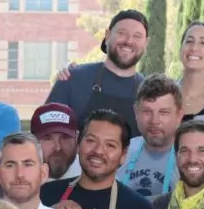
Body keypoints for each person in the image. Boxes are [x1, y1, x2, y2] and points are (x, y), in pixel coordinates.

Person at [40, 110, 159, 209]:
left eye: (110, 145)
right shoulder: (44, 195)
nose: (98, 151)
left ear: (123, 155)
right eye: (91, 141)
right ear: (78, 143)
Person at [47, 8, 149, 137]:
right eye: (122, 33)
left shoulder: (149, 93)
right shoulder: (73, 80)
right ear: (107, 35)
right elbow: (47, 137)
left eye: (137, 36)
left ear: (146, 43)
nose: (129, 41)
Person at [118, 75, 186, 199]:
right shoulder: (119, 152)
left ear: (179, 115)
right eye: (147, 112)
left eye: (163, 112)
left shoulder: (191, 158)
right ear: (136, 112)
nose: (154, 121)